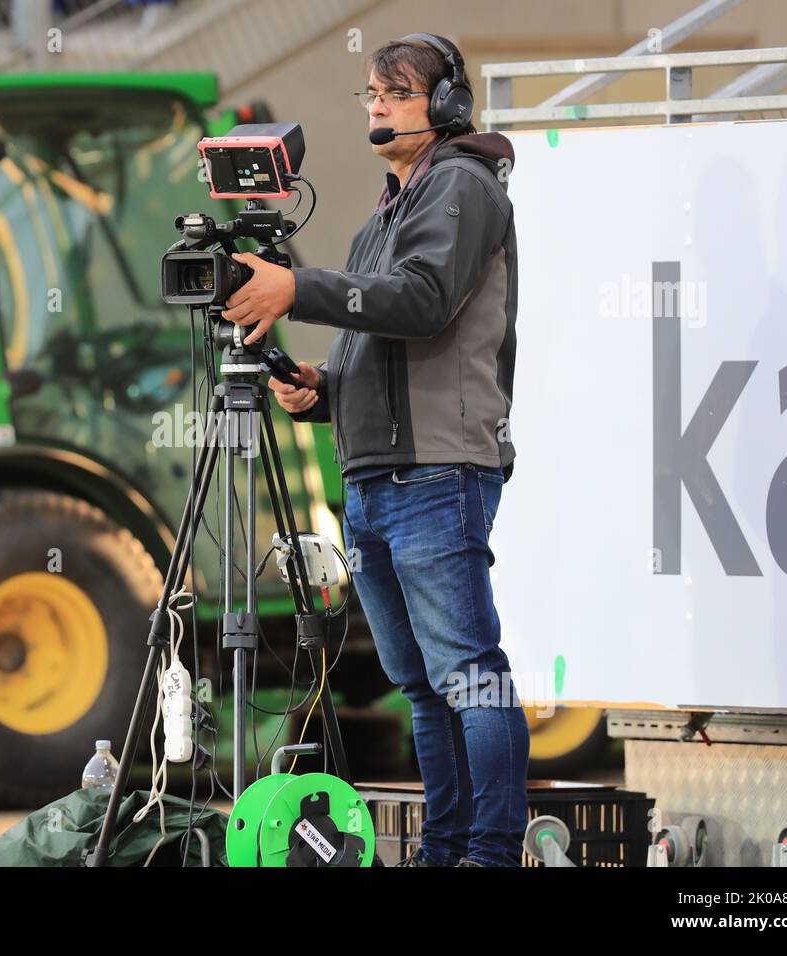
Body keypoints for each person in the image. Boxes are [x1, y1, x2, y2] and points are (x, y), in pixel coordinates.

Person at [220, 33, 530, 867]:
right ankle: (447, 851)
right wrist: (320, 388)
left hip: (436, 470)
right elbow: (379, 339)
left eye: (398, 90)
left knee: (469, 677)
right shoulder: (380, 219)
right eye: (371, 92)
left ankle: (493, 854)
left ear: (448, 104)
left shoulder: (462, 186)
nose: (380, 104)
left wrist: (301, 285)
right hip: (378, 479)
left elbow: (424, 303)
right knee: (425, 691)